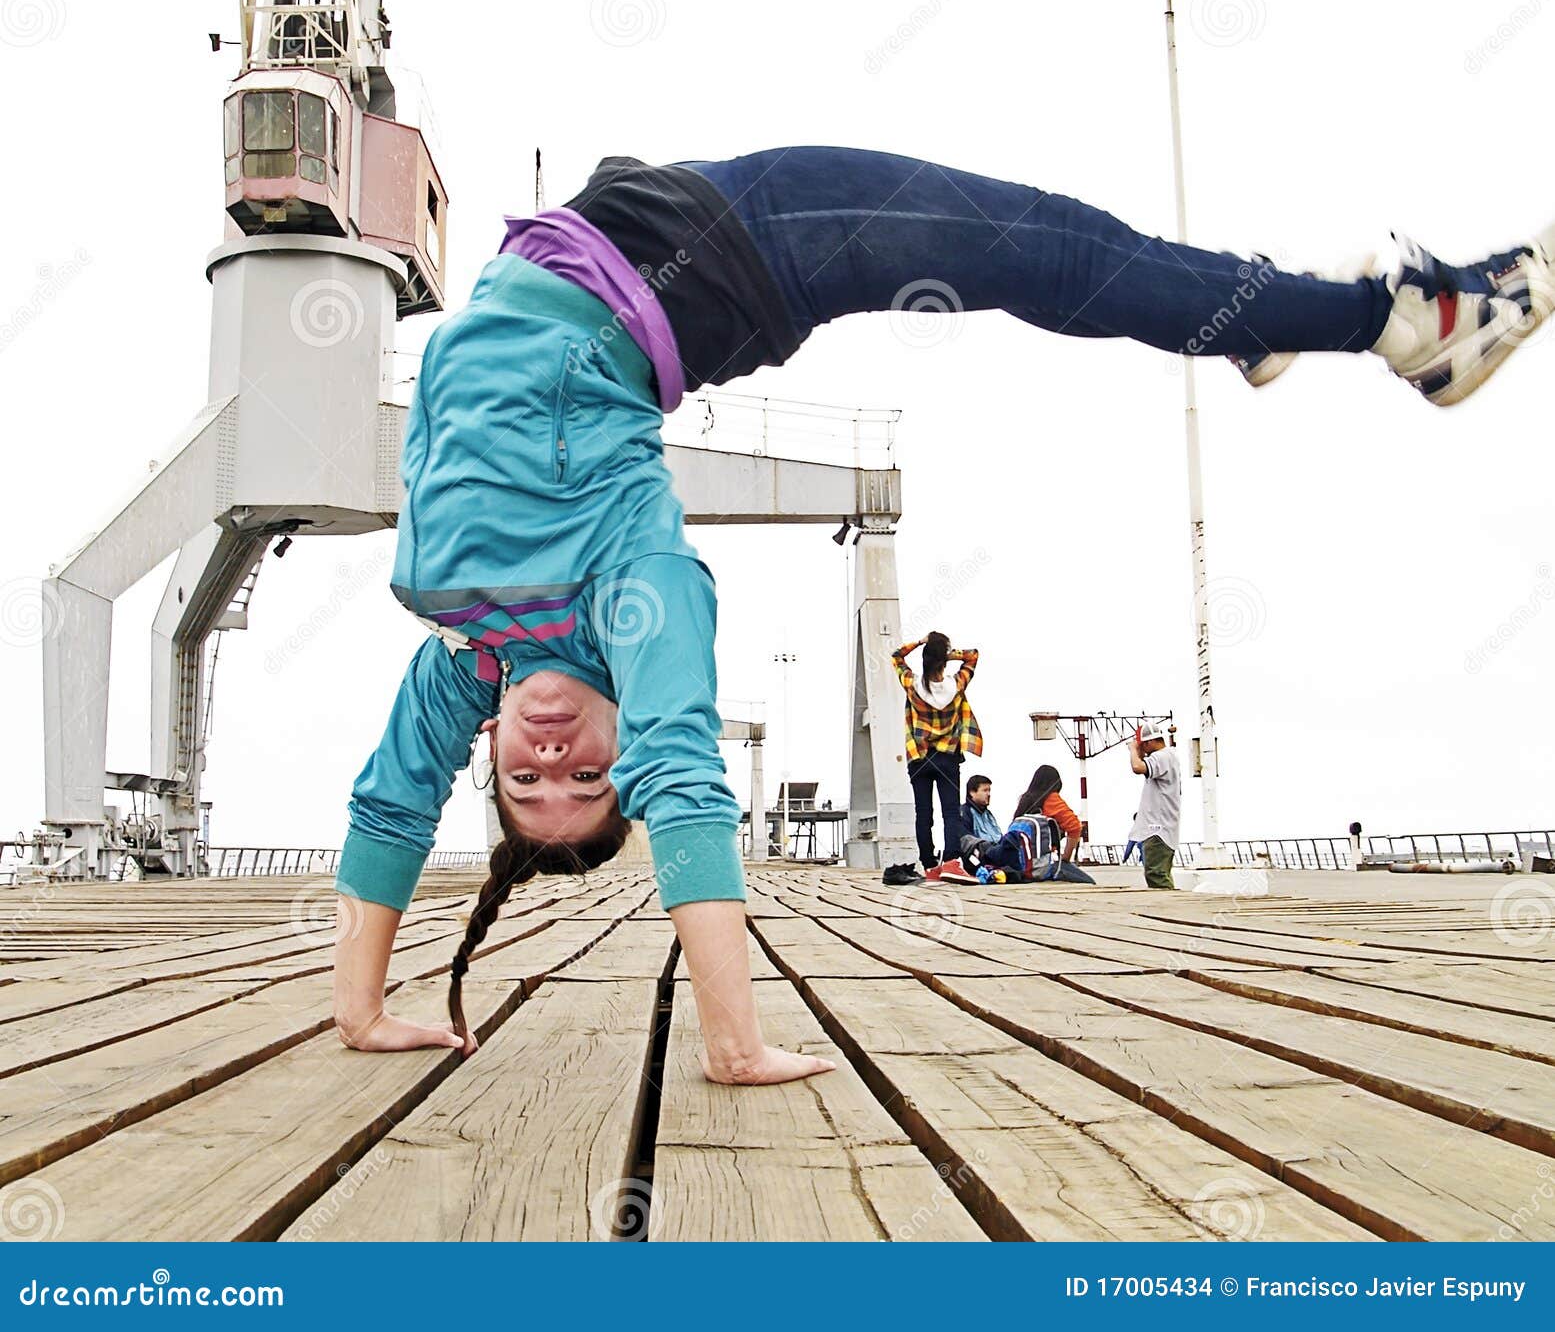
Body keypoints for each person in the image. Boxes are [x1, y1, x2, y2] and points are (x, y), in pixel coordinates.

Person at [330, 147, 1554, 1080]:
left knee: (1044, 250)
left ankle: (1241, 312)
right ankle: (1403, 325)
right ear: (620, 762)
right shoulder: (636, 593)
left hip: (613, 241)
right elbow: (687, 782)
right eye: (585, 784)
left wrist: (363, 1008)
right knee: (1041, 247)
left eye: (523, 786)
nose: (551, 765)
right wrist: (732, 1043)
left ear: (487, 751)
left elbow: (389, 800)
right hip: (711, 256)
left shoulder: (463, 653)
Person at [892, 631, 981, 881]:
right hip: (948, 757)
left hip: (919, 757)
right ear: (943, 659)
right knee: (950, 813)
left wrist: (919, 643)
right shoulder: (956, 684)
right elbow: (973, 656)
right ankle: (952, 862)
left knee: (924, 813)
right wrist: (950, 656)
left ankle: (930, 867)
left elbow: (896, 656)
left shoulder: (912, 684)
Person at [1012, 765, 1095, 884]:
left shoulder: (1025, 800)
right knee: (1089, 882)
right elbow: (1075, 826)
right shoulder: (1050, 798)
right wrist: (1066, 857)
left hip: (1021, 864)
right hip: (1045, 864)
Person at [1127, 724, 1181, 889]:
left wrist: (1133, 750)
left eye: (1142, 746)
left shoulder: (1162, 757)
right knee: (1159, 873)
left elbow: (1137, 767)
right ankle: (1170, 903)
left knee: (1156, 874)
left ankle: (1169, 906)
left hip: (1158, 830)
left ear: (1148, 743)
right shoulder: (1168, 757)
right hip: (1161, 828)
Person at [961, 773, 1003, 847]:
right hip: (982, 853)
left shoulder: (988, 815)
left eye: (989, 790)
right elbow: (967, 840)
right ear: (972, 793)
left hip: (998, 851)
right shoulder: (965, 812)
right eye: (985, 790)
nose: (988, 794)